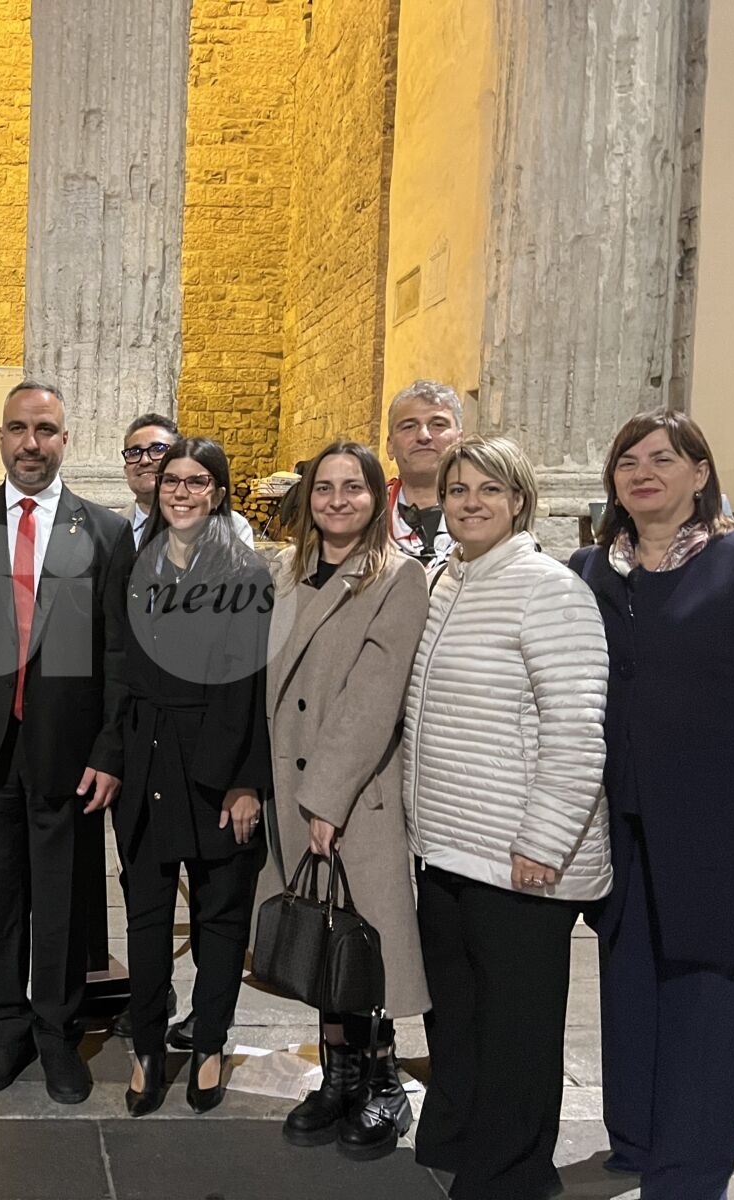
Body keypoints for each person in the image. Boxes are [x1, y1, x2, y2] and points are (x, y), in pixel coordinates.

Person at [403, 434, 610, 1200]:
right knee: (457, 1015)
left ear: (519, 499)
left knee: (517, 1030)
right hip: (450, 845)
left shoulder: (547, 588)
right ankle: (460, 1136)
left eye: (489, 490)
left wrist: (545, 843)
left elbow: (575, 724)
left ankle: (515, 1172)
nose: (471, 503)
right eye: (458, 491)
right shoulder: (448, 580)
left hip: (518, 856)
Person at [0, 379, 130, 1104]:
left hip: (68, 753)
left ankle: (57, 1033)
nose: (30, 443)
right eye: (17, 428)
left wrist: (109, 750)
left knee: (65, 898)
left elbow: (120, 654)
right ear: (0, 438)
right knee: (0, 896)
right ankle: (7, 1029)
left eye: (44, 430)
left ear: (65, 440)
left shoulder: (104, 531)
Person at [570, 410, 734, 1200]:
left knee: (708, 988)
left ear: (700, 474)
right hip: (620, 815)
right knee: (629, 976)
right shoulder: (590, 569)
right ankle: (636, 1137)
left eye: (663, 459)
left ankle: (693, 1165)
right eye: (627, 460)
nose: (642, 472)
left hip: (716, 815)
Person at [258, 441, 429, 1159]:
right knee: (322, 940)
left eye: (350, 487)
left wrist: (324, 799)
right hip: (290, 789)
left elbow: (371, 698)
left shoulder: (397, 576)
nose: (335, 500)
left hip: (352, 794)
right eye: (323, 488)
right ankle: (338, 1075)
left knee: (365, 942)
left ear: (375, 496)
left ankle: (383, 1081)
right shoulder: (291, 571)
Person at [112, 437, 272, 1118]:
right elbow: (114, 662)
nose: (181, 490)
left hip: (216, 759)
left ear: (219, 491)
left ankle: (209, 1042)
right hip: (144, 754)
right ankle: (147, 1046)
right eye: (172, 478)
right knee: (147, 917)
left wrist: (244, 782)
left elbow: (251, 684)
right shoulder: (132, 560)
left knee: (220, 915)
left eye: (197, 481)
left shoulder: (246, 570)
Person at [120, 413, 255, 550]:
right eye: (134, 452)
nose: (145, 460)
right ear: (125, 469)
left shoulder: (233, 527)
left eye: (157, 449)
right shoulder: (111, 527)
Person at [384, 380, 463, 568]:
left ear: (460, 441)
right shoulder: (364, 515)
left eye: (438, 424)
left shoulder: (487, 514)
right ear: (390, 445)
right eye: (409, 426)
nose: (424, 436)